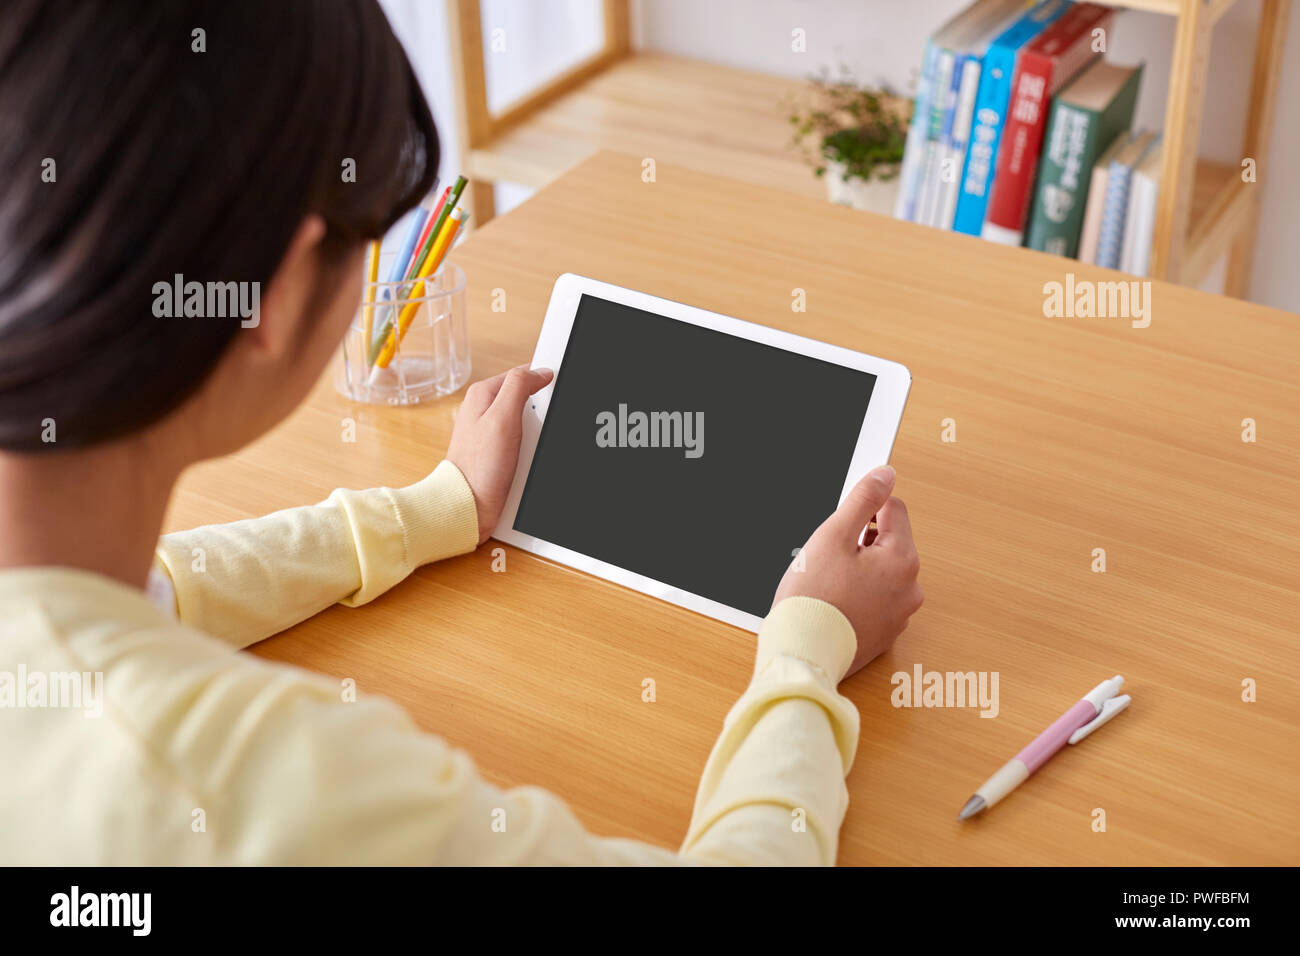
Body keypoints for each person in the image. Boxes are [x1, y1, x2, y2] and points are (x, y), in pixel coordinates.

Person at [0, 0, 922, 865]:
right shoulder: (257, 787)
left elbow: (156, 594)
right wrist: (807, 653)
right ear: (272, 301)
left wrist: (436, 510)